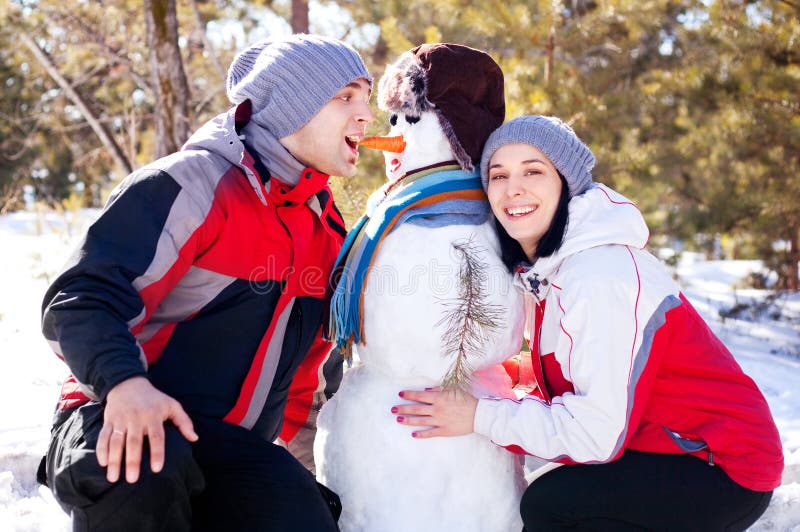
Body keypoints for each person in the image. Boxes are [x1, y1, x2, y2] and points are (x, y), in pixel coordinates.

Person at [38, 33, 373, 531]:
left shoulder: (324, 230)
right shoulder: (192, 184)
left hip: (228, 448)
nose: (365, 116)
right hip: (112, 412)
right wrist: (125, 385)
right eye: (346, 97)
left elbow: (307, 382)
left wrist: (295, 486)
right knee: (148, 461)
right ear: (292, 107)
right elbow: (82, 298)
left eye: (366, 100)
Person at [392, 115, 784, 530]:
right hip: (662, 444)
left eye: (533, 171)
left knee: (554, 505)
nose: (514, 188)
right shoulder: (548, 268)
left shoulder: (600, 275)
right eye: (498, 175)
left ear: (566, 183)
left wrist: (480, 416)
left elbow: (596, 435)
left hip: (722, 466)